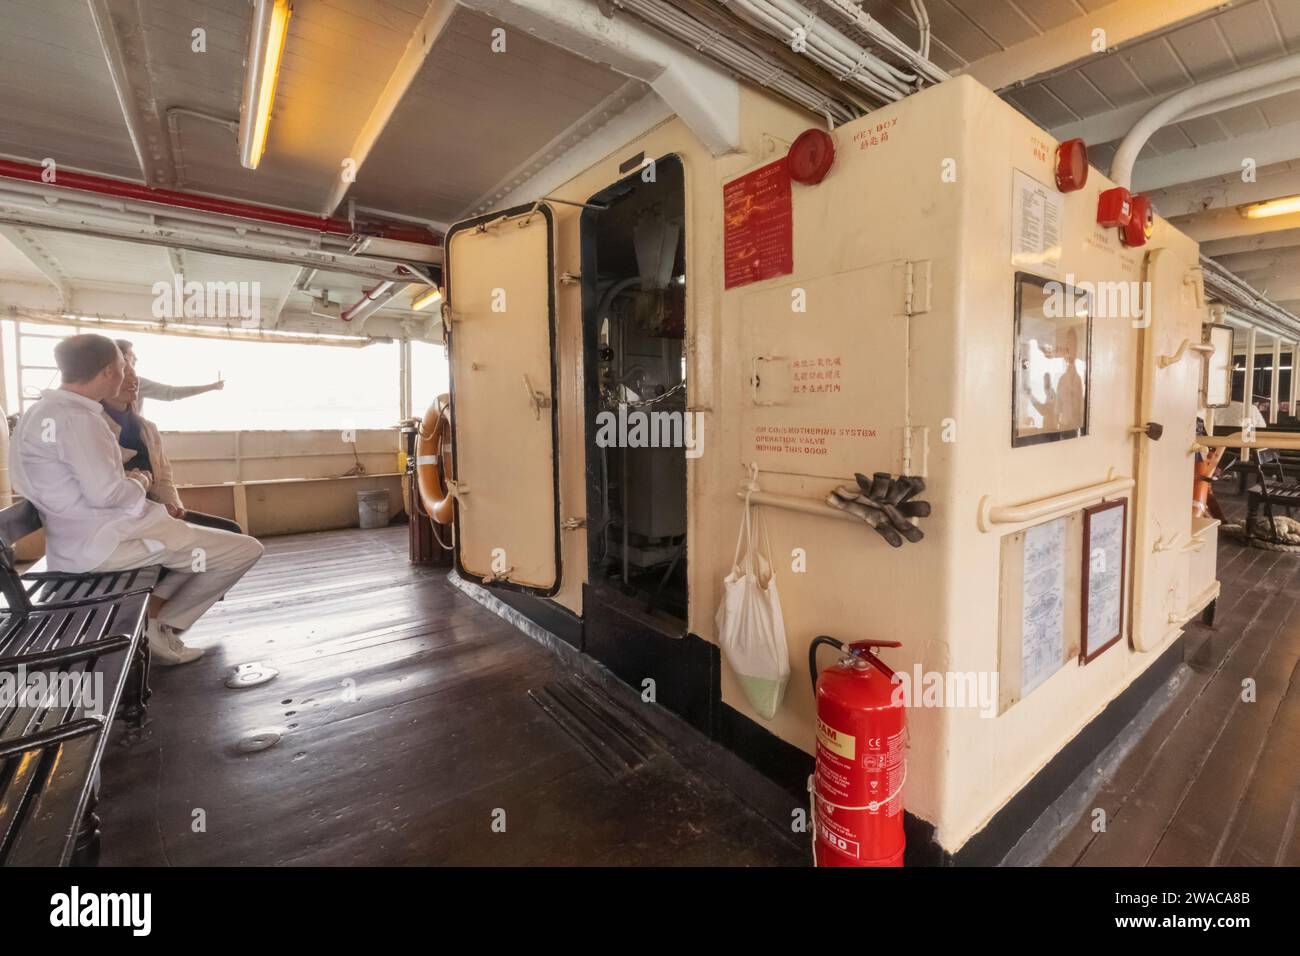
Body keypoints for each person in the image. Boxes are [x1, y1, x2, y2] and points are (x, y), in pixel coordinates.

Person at [9, 334, 263, 666]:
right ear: (107, 372)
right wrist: (140, 480)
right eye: (123, 364)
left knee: (203, 551)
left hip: (75, 540)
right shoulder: (80, 419)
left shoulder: (41, 412)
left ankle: (156, 623)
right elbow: (107, 494)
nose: (128, 371)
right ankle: (157, 626)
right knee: (243, 550)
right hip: (105, 544)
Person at [103, 339, 244, 534]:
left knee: (231, 529)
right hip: (122, 518)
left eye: (132, 368)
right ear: (105, 375)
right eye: (125, 365)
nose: (133, 378)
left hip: (154, 508)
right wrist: (141, 484)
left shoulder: (147, 429)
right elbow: (103, 484)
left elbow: (164, 477)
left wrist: (174, 508)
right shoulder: (91, 425)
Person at [137, 373, 223, 412]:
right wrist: (212, 387)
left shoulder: (136, 382)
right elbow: (172, 393)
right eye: (131, 355)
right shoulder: (136, 382)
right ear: (123, 358)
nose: (136, 359)